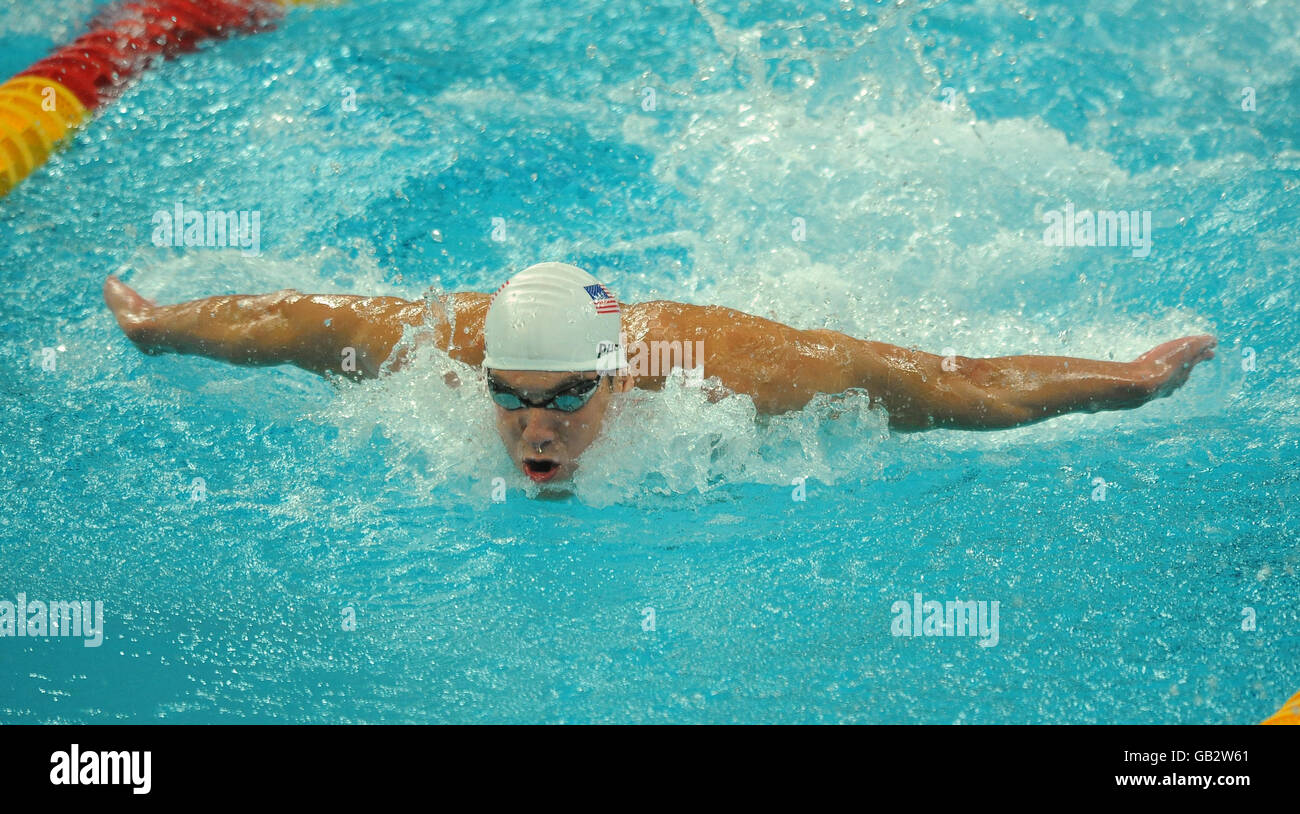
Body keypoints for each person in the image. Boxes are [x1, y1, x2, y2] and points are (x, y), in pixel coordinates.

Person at [103, 261, 1216, 483]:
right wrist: (160, 329)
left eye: (566, 400)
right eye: (512, 399)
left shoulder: (731, 372)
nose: (533, 430)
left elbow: (952, 381)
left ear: (618, 378)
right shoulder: (439, 349)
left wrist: (1120, 378)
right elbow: (287, 322)